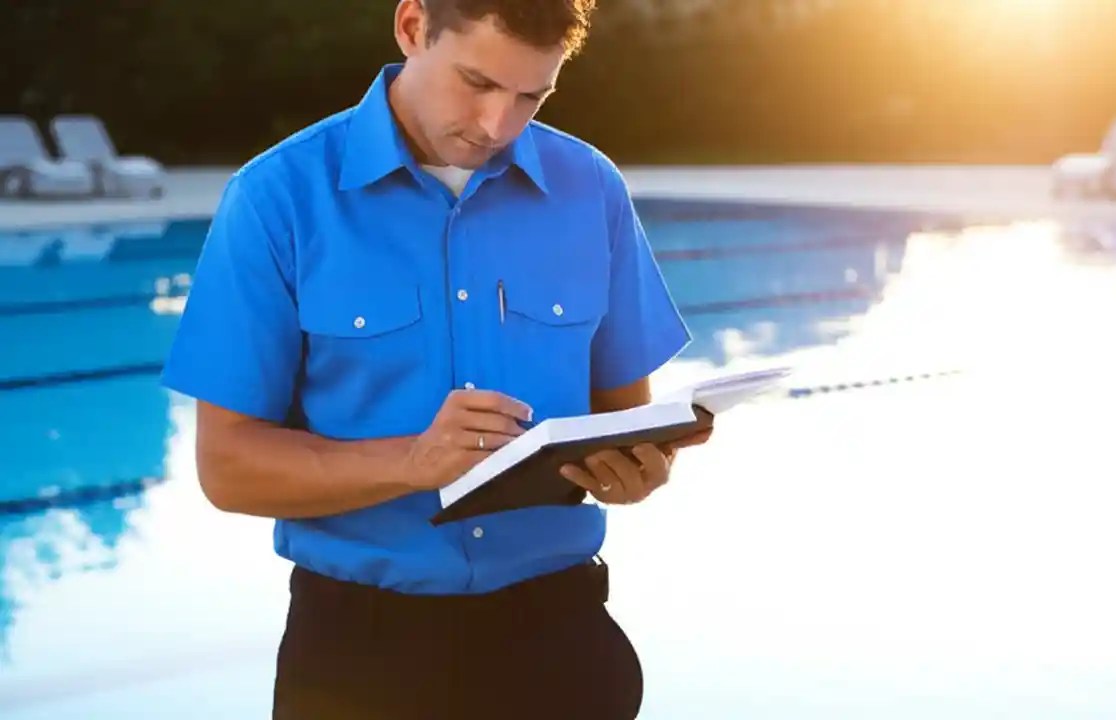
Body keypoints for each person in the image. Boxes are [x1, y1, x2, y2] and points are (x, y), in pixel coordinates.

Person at [160, 1, 711, 717]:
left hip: (564, 646)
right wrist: (411, 463)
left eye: (530, 96)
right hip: (359, 662)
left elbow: (624, 415)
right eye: (477, 82)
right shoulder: (277, 200)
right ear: (413, 26)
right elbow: (228, 467)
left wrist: (638, 470)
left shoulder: (590, 189)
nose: (496, 126)